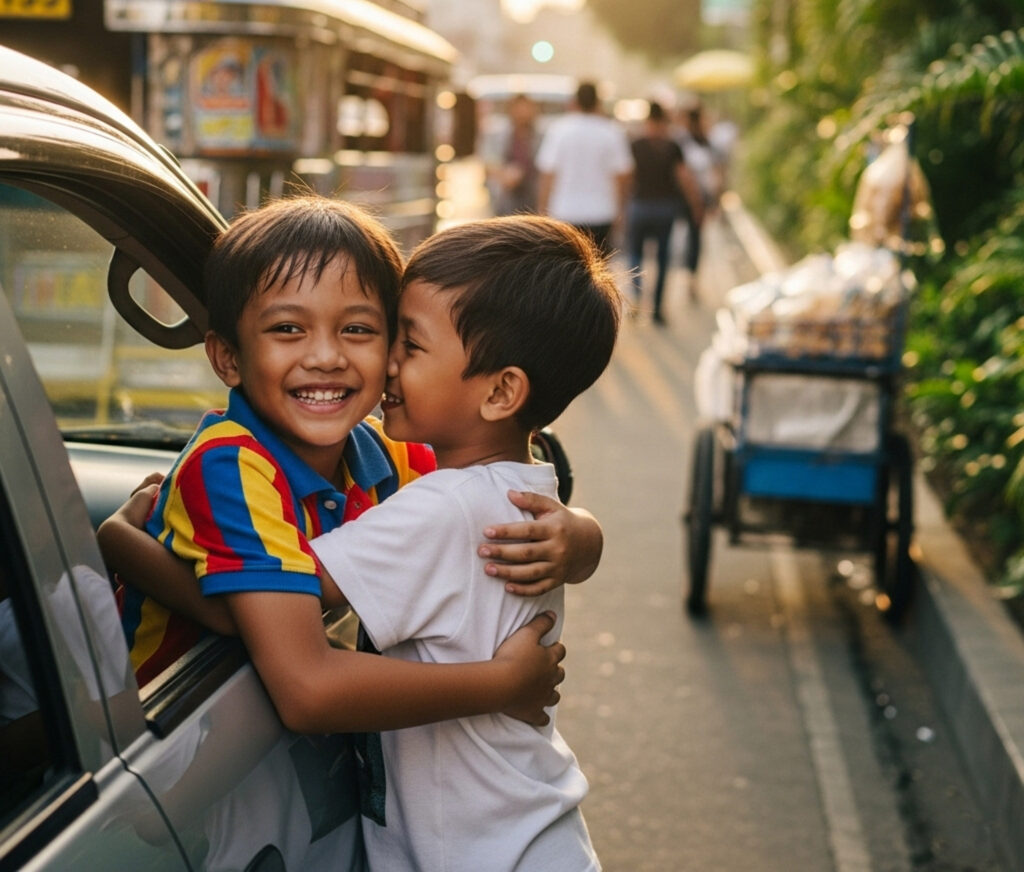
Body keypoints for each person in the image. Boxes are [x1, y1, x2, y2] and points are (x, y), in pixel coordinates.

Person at [98, 197, 604, 740]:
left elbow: (496, 476)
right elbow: (255, 633)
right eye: (288, 329)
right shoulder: (231, 468)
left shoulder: (392, 452)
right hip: (135, 727)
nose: (326, 357)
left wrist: (578, 536)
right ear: (228, 358)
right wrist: (501, 684)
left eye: (359, 330)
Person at [300, 215, 620, 870]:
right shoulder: (524, 484)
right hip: (530, 841)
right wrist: (587, 534)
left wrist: (127, 545)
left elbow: (271, 592)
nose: (384, 360)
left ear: (502, 391)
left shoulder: (444, 508)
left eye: (410, 347)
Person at [535, 80, 633, 255]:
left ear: (575, 101)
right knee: (598, 271)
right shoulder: (611, 132)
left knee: (566, 272)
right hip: (602, 213)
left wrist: (542, 212)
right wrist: (621, 211)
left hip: (564, 213)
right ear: (597, 102)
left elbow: (547, 175)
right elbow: (622, 176)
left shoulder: (559, 131)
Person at [626, 100, 703, 325]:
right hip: (665, 208)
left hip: (640, 206)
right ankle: (658, 309)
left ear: (647, 120)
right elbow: (684, 178)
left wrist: (621, 206)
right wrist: (695, 204)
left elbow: (627, 177)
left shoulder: (636, 144)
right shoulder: (672, 146)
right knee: (662, 259)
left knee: (635, 257)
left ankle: (636, 300)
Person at [674, 100, 725, 297]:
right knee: (689, 238)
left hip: (699, 197)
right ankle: (688, 276)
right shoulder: (683, 141)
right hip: (686, 197)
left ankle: (690, 278)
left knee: (694, 238)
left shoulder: (703, 142)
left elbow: (716, 171)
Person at [483, 92, 541, 216]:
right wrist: (505, 174)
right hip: (506, 198)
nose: (523, 113)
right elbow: (488, 163)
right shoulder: (497, 135)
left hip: (533, 196)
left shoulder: (541, 136)